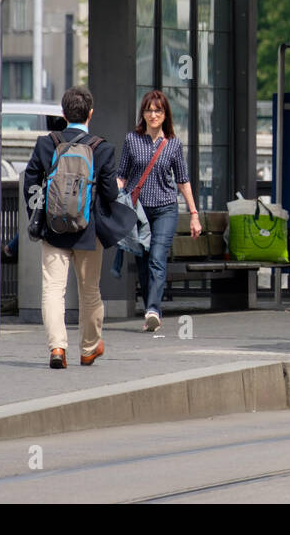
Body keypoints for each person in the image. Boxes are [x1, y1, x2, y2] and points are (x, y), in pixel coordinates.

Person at [23, 86, 119, 369]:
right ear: (90, 113)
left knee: (53, 289)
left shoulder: (47, 143)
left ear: (63, 114)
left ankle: (57, 348)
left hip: (53, 229)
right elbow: (110, 195)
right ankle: (89, 348)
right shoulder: (102, 148)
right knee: (90, 291)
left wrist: (38, 214)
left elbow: (30, 183)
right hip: (89, 232)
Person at [115, 90, 201, 333]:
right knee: (143, 263)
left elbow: (183, 181)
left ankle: (153, 309)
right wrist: (114, 200)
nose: (153, 114)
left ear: (165, 115)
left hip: (165, 209)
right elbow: (121, 175)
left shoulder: (173, 144)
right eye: (149, 110)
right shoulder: (132, 140)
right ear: (142, 113)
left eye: (158, 110)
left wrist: (194, 214)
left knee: (157, 259)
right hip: (138, 213)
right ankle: (150, 310)